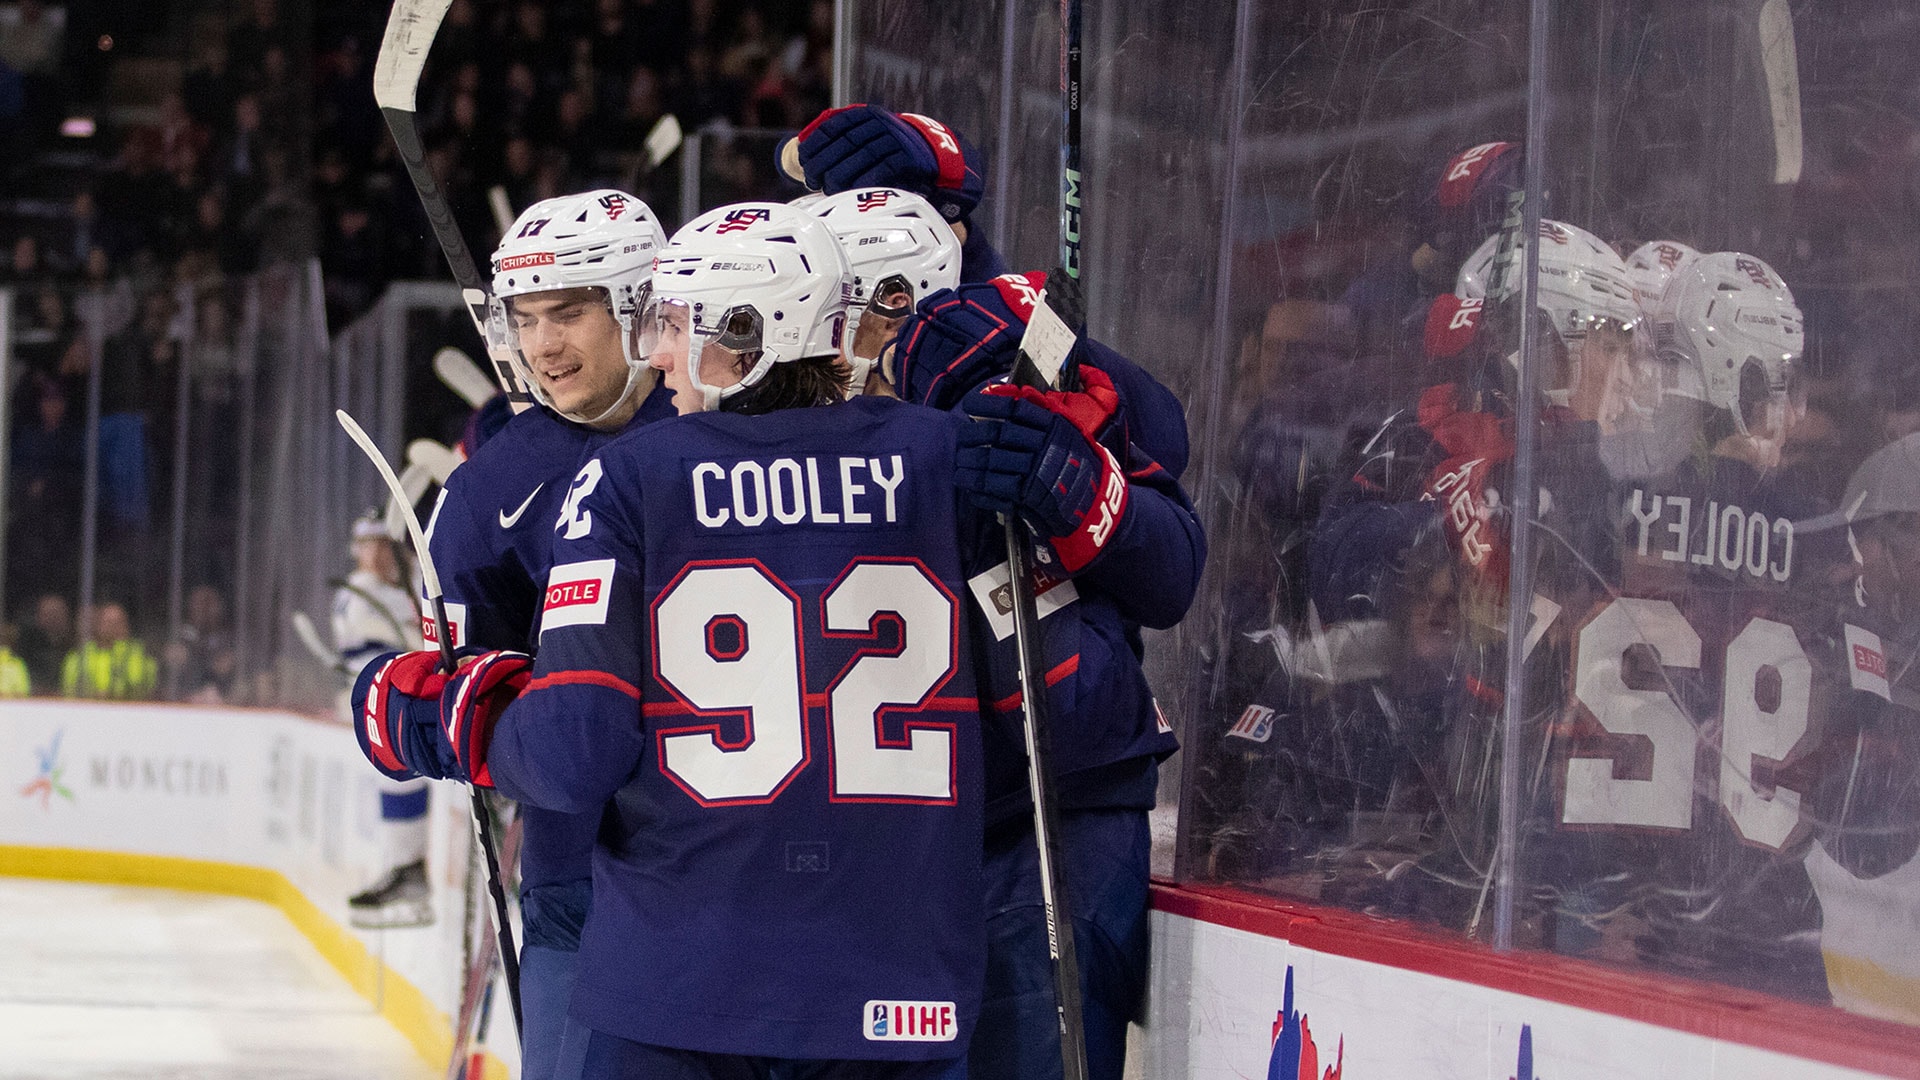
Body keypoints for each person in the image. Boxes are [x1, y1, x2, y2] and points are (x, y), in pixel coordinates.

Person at [356, 201, 1132, 1077]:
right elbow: (1072, 706)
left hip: (676, 961)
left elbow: (572, 744)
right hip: (898, 960)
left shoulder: (626, 477)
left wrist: (445, 718)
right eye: (527, 317)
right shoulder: (950, 456)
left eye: (665, 321)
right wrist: (1081, 491)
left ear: (749, 330)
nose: (654, 350)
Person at [356, 189, 670, 1079]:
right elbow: (451, 686)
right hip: (578, 874)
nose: (542, 346)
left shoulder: (722, 433)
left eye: (567, 313)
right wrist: (444, 715)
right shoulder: (492, 489)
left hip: (735, 873)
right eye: (525, 320)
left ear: (644, 306)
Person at [332, 514, 431, 929]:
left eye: (382, 543)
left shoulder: (381, 590)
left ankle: (407, 870)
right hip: (388, 701)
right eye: (367, 544)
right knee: (399, 777)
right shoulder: (368, 593)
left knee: (401, 777)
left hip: (391, 702)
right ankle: (406, 870)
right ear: (356, 549)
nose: (375, 553)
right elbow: (414, 637)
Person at [61, 601, 157, 699]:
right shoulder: (79, 656)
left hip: (129, 711)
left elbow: (147, 691)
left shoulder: (141, 655)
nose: (112, 627)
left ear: (126, 626)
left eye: (117, 622)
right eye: (108, 622)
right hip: (87, 711)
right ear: (98, 625)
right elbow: (69, 690)